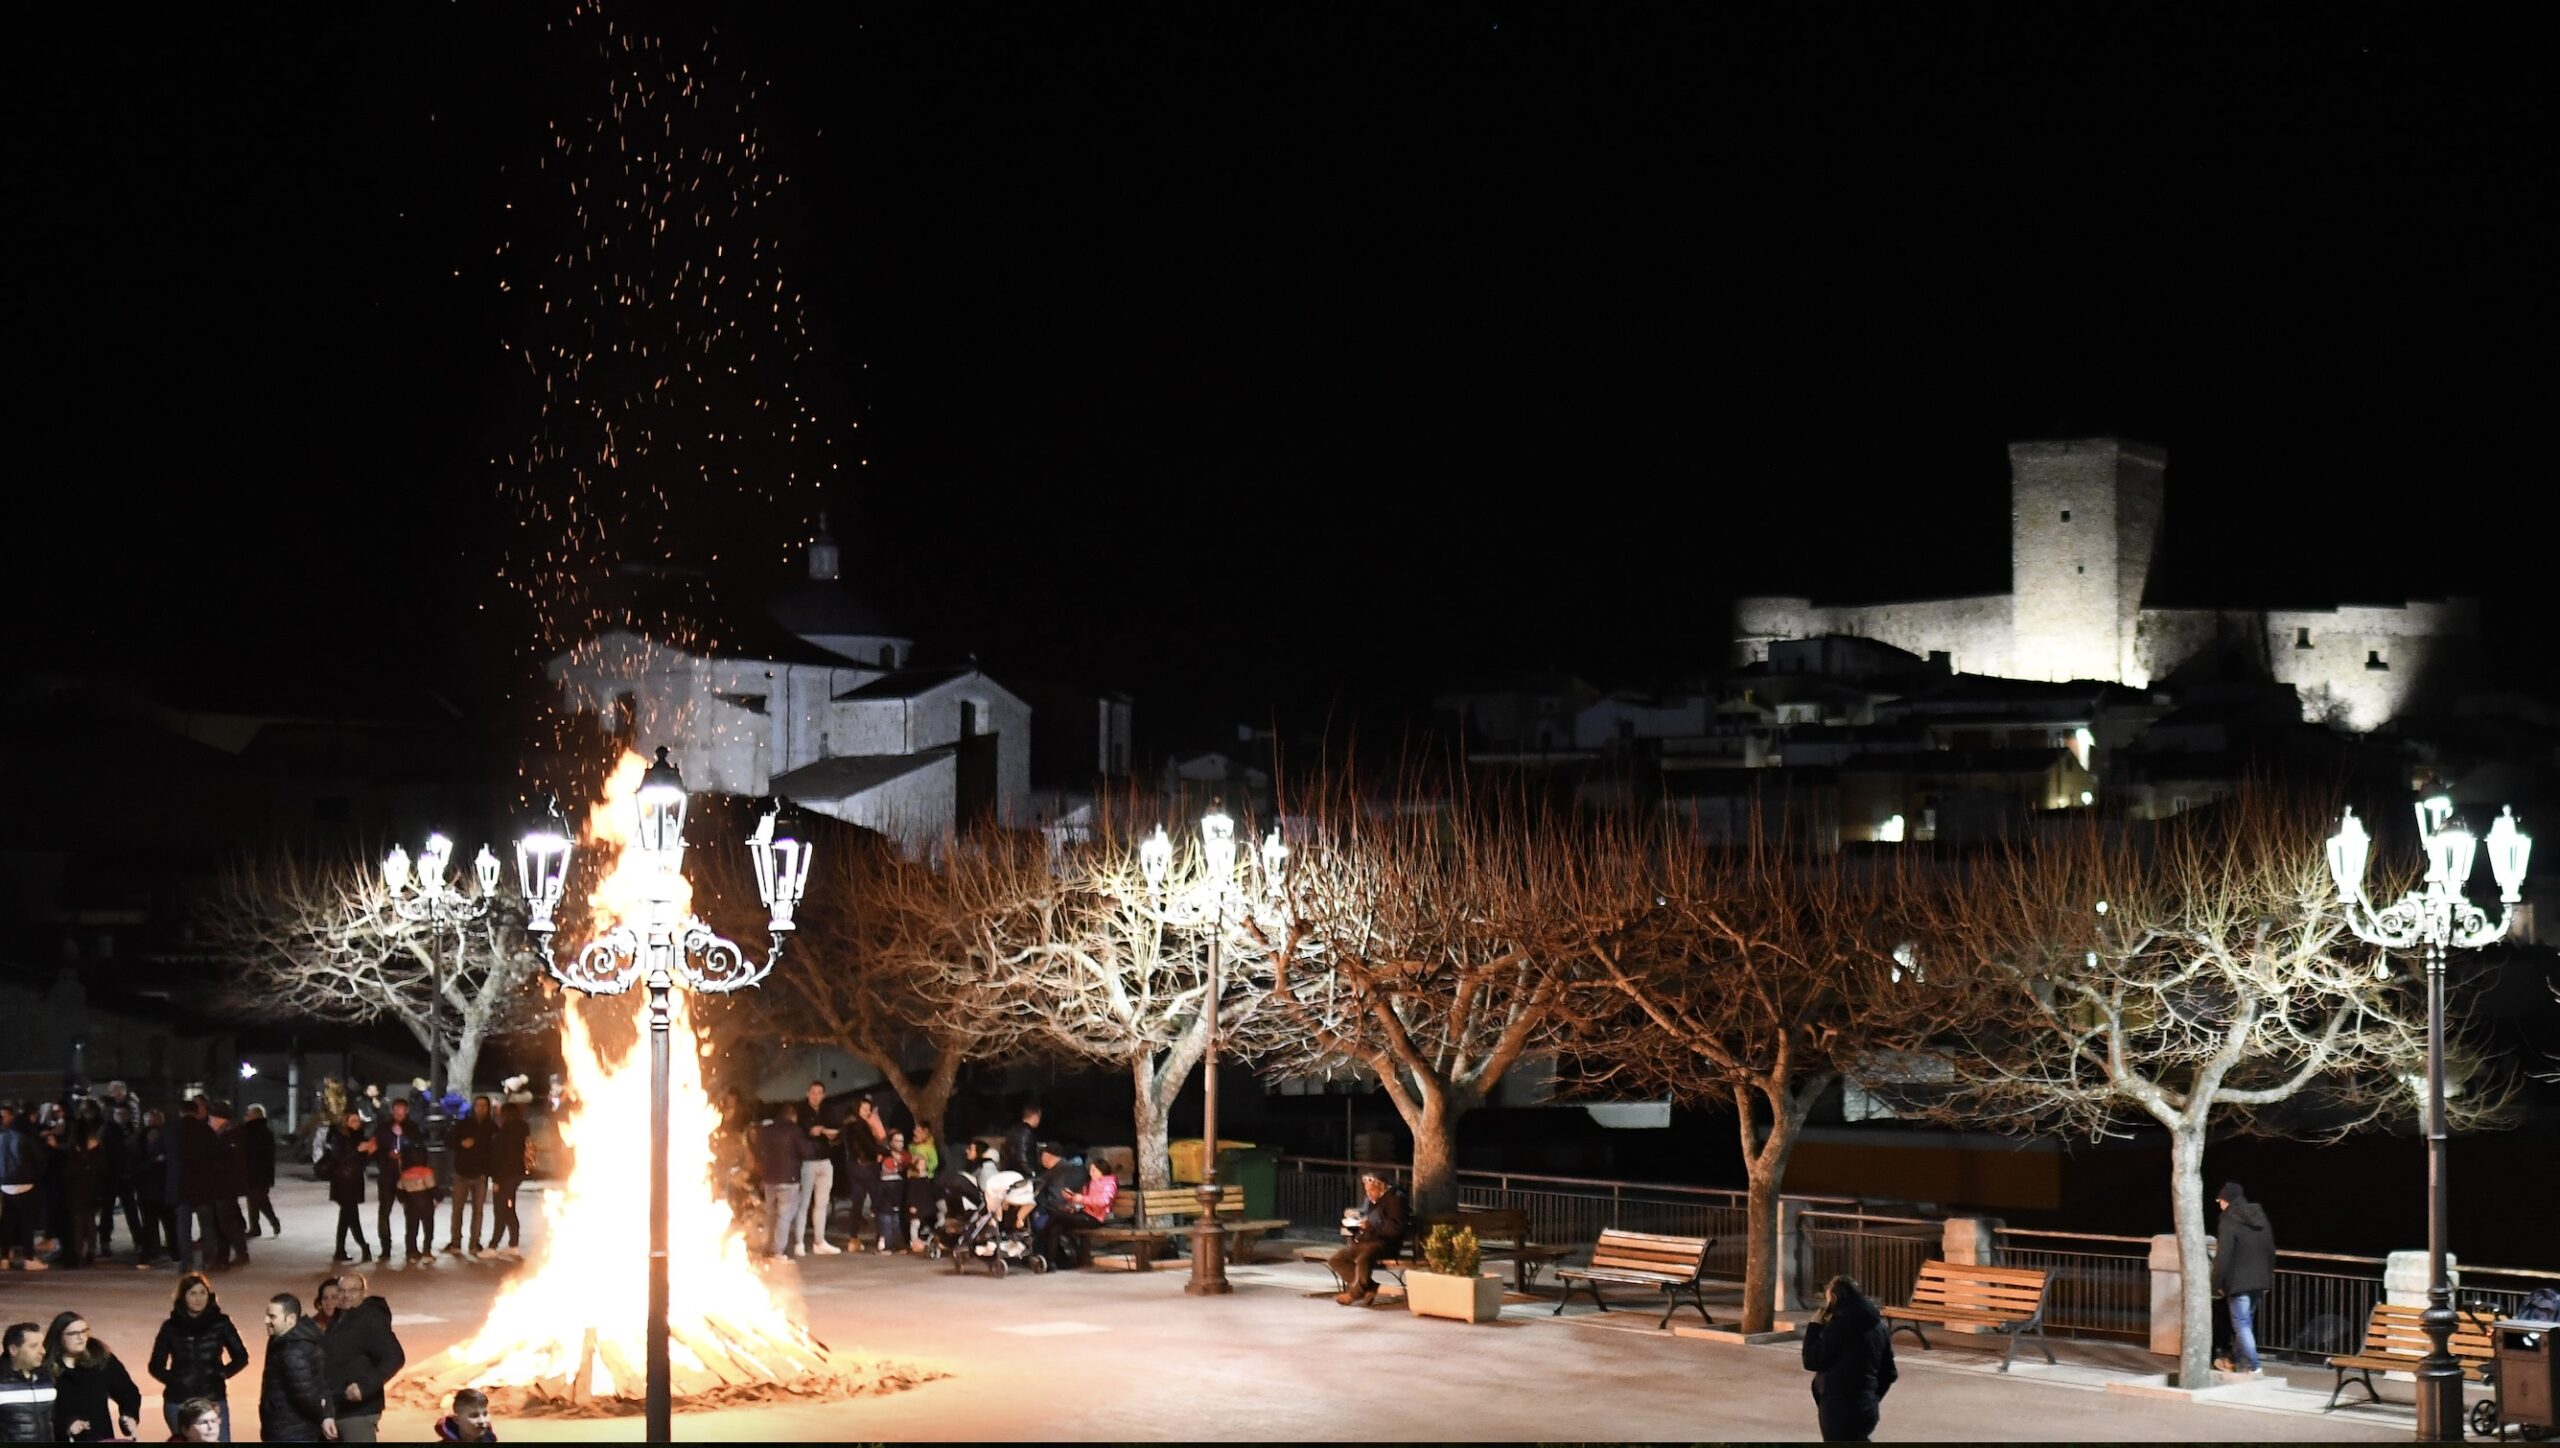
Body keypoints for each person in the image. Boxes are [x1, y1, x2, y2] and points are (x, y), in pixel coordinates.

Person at [148, 1272, 251, 1441]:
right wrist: (176, 1380)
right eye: (193, 1293)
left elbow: (241, 1356)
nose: (198, 1298)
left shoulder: (221, 1323)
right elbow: (155, 1366)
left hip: (212, 1398)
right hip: (179, 1400)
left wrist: (221, 1374)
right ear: (183, 1297)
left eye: (202, 1292)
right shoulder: (170, 1327)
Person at [1801, 1274, 1897, 1442]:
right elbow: (1889, 1373)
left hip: (1839, 1409)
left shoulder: (1840, 1326)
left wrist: (1814, 1327)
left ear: (1834, 1298)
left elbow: (1812, 1360)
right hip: (1867, 1408)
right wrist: (1872, 1397)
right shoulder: (1879, 1327)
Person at [324, 1272, 402, 1443]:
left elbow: (395, 1357)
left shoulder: (370, 1319)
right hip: (337, 1408)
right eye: (342, 1290)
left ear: (364, 1293)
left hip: (357, 1413)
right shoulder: (340, 1317)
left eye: (353, 1290)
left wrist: (365, 1387)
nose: (346, 1295)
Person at [43, 1311, 142, 1442]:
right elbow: (43, 1411)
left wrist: (129, 1415)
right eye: (73, 1334)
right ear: (59, 1337)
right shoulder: (45, 1368)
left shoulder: (101, 1359)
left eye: (84, 1331)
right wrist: (66, 1425)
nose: (81, 1337)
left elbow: (128, 1392)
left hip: (100, 1436)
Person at [2213, 1181, 2275, 1378]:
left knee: (2241, 1324)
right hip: (2259, 1280)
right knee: (2245, 1323)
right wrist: (2267, 1277)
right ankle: (2239, 1362)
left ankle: (2254, 1365)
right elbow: (2270, 1250)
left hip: (2238, 1282)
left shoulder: (2228, 1220)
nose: (2219, 1203)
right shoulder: (2260, 1217)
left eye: (2220, 1200)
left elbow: (2223, 1255)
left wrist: (2215, 1284)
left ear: (2227, 1200)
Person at [256, 1295, 334, 1443]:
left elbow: (305, 1395)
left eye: (272, 1316)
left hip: (290, 1432)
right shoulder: (282, 1340)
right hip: (291, 1429)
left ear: (291, 1319)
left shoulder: (292, 1351)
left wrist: (323, 1414)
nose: (266, 1321)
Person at [1329, 1171, 1409, 1306]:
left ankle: (1355, 1294)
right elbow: (1368, 1217)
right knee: (1336, 1259)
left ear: (1381, 1186)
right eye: (1367, 1191)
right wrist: (1360, 1222)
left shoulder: (1396, 1199)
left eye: (1371, 1191)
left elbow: (1395, 1228)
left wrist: (1371, 1226)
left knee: (1363, 1259)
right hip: (1368, 1240)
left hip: (1386, 1243)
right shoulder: (1371, 1200)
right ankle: (1370, 1287)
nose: (1368, 1194)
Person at [793, 1082, 843, 1256]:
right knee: (803, 1202)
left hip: (825, 1159)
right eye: (813, 1092)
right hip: (807, 1161)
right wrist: (821, 1130)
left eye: (819, 1093)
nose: (816, 1096)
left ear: (823, 1095)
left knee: (822, 1203)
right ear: (808, 1093)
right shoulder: (802, 1110)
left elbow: (836, 1131)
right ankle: (799, 1242)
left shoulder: (827, 1110)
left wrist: (828, 1132)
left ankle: (819, 1241)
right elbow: (809, 1131)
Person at [1045, 1155, 1119, 1268]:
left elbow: (1103, 1201)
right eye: (1090, 1170)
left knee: (1055, 1216)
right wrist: (1072, 1197)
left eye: (1094, 1170)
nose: (1091, 1173)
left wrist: (1082, 1199)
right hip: (1084, 1214)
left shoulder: (1108, 1184)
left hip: (1094, 1218)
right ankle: (1051, 1261)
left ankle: (1041, 1237)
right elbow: (1083, 1200)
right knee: (1055, 1227)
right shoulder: (1091, 1183)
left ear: (1102, 1171)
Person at [755, 1109, 809, 1258]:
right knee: (784, 1215)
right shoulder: (795, 1130)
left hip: (769, 1178)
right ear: (793, 1116)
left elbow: (759, 1151)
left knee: (770, 1213)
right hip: (789, 1178)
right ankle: (778, 1250)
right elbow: (806, 1152)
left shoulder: (766, 1131)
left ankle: (766, 1246)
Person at [446, 1097, 494, 1258]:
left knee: (478, 1211)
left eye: (484, 1106)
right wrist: (461, 1144)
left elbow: (496, 1149)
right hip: (462, 1173)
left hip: (480, 1174)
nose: (481, 1108)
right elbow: (448, 1141)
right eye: (478, 1105)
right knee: (457, 1209)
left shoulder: (491, 1127)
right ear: (473, 1107)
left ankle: (474, 1243)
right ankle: (455, 1242)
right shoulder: (463, 1124)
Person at [322, 1112, 374, 1264]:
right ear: (346, 1123)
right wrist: (358, 1150)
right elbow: (340, 1157)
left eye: (357, 1120)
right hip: (342, 1181)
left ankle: (340, 1250)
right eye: (352, 1120)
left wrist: (368, 1152)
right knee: (352, 1216)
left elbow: (362, 1162)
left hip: (354, 1181)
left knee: (346, 1217)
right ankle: (364, 1246)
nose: (356, 1123)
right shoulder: (339, 1137)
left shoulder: (360, 1137)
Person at [206, 1100, 251, 1269]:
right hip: (220, 1186)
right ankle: (222, 1258)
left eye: (212, 1118)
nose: (209, 1121)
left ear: (220, 1119)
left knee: (226, 1221)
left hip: (227, 1186)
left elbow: (230, 1162)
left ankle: (242, 1252)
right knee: (220, 1222)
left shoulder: (232, 1135)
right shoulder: (223, 1135)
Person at [0, 1108, 43, 1272]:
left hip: (5, 1184)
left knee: (7, 1224)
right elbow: (38, 1160)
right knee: (26, 1223)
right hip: (24, 1183)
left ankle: (4, 1258)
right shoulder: (25, 1139)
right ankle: (29, 1258)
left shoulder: (2, 1138)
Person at [0, 1322, 56, 1443]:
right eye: (34, 1346)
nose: (43, 1351)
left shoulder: (46, 1379)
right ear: (13, 1350)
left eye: (42, 1345)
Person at [489, 1102, 529, 1258]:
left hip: (506, 1176)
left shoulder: (508, 1131)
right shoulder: (521, 1129)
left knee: (501, 1209)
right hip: (515, 1174)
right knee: (508, 1208)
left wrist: (497, 1179)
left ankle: (494, 1245)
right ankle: (513, 1243)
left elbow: (504, 1157)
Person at [136, 1108, 174, 1268]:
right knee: (163, 1224)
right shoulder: (168, 1138)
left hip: (155, 1189)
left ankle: (153, 1253)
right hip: (156, 1189)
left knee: (160, 1224)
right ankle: (159, 1253)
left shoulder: (138, 1140)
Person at [241, 1106, 281, 1239]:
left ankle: (273, 1221)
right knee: (253, 1200)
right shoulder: (263, 1131)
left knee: (260, 1200)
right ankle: (255, 1227)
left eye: (249, 1114)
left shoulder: (253, 1131)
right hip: (259, 1171)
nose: (246, 1116)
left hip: (256, 1171)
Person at [1001, 1102, 1042, 1179]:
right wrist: (1031, 1172)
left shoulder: (1014, 1129)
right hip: (1023, 1175)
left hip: (1012, 1171)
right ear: (1035, 1116)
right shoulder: (1026, 1132)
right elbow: (1022, 1154)